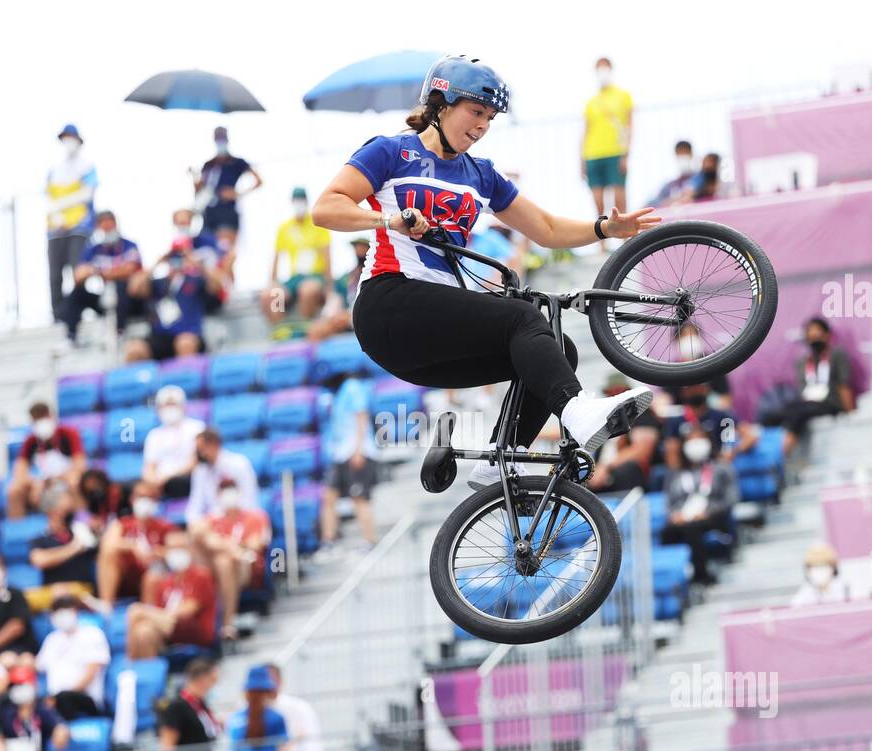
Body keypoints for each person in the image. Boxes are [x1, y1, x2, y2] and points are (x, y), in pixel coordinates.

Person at [311, 55, 657, 492]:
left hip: (428, 336)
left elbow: (546, 229)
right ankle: (578, 410)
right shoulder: (391, 151)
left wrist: (603, 228)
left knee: (558, 349)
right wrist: (388, 221)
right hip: (388, 305)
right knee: (521, 318)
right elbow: (326, 208)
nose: (482, 126)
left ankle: (501, 460)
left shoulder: (482, 174)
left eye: (490, 118)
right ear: (440, 104)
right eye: (476, 112)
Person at [125, 210, 231, 363]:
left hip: (189, 334)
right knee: (134, 349)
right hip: (161, 336)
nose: (176, 263)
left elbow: (218, 285)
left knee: (184, 343)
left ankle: (188, 384)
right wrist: (158, 262)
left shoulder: (195, 281)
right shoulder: (159, 283)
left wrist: (196, 262)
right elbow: (133, 289)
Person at [187, 479, 270, 643]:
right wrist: (232, 548)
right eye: (224, 490)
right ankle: (224, 625)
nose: (228, 494)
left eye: (231, 489)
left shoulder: (255, 517)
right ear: (218, 495)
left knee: (224, 560)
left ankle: (227, 622)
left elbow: (255, 545)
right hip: (218, 566)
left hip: (247, 566)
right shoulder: (212, 520)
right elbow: (197, 533)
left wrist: (226, 546)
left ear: (239, 492)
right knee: (204, 543)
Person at [759, 317, 855, 457]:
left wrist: (849, 414)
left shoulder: (837, 355)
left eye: (818, 333)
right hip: (808, 403)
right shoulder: (803, 362)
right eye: (810, 334)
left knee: (800, 411)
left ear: (827, 335)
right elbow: (803, 389)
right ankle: (771, 450)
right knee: (780, 412)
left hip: (830, 403)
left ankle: (782, 453)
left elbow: (843, 384)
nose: (814, 337)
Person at [315, 371, 378, 562]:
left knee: (359, 497)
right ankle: (329, 541)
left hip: (356, 452)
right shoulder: (338, 394)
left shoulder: (352, 387)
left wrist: (358, 449)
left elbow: (361, 415)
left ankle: (370, 541)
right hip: (339, 453)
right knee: (328, 497)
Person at [661, 430, 738, 586]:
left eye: (700, 438)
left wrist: (708, 512)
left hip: (713, 517)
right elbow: (668, 502)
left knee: (692, 529)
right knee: (667, 532)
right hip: (683, 517)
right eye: (691, 440)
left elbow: (731, 499)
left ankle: (701, 575)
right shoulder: (675, 474)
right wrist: (675, 515)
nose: (695, 444)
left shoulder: (721, 468)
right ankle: (673, 582)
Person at [126, 528, 218, 658]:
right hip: (171, 630)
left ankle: (128, 664)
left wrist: (153, 615)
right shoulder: (165, 582)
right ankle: (146, 674)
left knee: (135, 611)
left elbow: (189, 610)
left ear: (190, 550)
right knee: (144, 631)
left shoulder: (201, 576)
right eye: (172, 549)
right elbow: (159, 612)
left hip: (194, 629)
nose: (177, 553)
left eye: (181, 548)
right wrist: (156, 618)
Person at [46, 124, 99, 338]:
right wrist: (57, 215)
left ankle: (76, 309)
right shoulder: (54, 170)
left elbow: (87, 194)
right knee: (55, 274)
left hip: (79, 227)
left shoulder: (86, 166)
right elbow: (49, 198)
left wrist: (63, 206)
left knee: (78, 272)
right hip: (56, 229)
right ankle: (59, 314)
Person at [63, 210, 145, 345]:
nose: (107, 230)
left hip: (129, 301)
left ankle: (119, 332)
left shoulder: (129, 245)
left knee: (120, 285)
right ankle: (70, 337)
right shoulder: (93, 249)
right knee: (76, 293)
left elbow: (130, 271)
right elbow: (78, 275)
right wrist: (104, 272)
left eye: (110, 226)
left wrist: (98, 271)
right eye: (104, 227)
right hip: (106, 300)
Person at [96, 479, 174, 612]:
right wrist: (133, 546)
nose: (145, 501)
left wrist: (157, 553)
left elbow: (177, 551)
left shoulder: (165, 526)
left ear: (156, 501)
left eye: (150, 497)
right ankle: (106, 607)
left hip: (154, 575)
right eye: (141, 496)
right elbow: (108, 544)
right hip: (127, 576)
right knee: (109, 554)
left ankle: (146, 617)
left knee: (153, 575)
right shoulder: (122, 524)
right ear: (132, 499)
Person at [261, 187, 332, 332]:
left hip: (314, 276)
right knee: (271, 295)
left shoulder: (318, 224)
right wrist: (272, 283)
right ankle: (282, 330)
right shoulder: (284, 228)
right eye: (296, 200)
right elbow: (276, 258)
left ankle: (303, 330)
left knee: (307, 290)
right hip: (294, 278)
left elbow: (327, 257)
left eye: (301, 200)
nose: (299, 203)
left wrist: (329, 286)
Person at [582, 57, 633, 245]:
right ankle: (602, 242)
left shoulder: (623, 96)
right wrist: (582, 160)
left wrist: (626, 154)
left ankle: (626, 240)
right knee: (598, 201)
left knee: (620, 198)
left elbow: (629, 126)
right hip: (593, 154)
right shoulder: (591, 102)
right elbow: (586, 131)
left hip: (615, 151)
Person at [35, 593, 110, 719]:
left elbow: (91, 673)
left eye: (65, 610)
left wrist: (59, 697)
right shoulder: (52, 639)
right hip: (54, 699)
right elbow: (38, 666)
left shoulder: (92, 634)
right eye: (56, 612)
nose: (61, 615)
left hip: (85, 697)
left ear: (75, 611)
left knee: (63, 698)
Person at [586, 372, 664, 493]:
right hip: (602, 474)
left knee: (628, 471)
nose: (615, 396)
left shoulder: (642, 415)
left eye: (619, 392)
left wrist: (606, 467)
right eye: (610, 393)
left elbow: (642, 451)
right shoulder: (605, 422)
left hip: (625, 474)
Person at [6, 401, 87, 518]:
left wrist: (51, 480)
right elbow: (19, 472)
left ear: (51, 416)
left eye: (43, 417)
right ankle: (17, 531)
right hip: (42, 490)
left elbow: (79, 467)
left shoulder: (68, 434)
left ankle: (82, 521)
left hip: (64, 486)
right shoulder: (31, 441)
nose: (40, 422)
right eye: (36, 419)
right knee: (14, 489)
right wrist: (36, 483)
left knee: (74, 481)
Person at [195, 126, 262, 245]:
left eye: (222, 138)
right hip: (209, 212)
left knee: (225, 250)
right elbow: (199, 191)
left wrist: (237, 193)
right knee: (206, 250)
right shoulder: (209, 165)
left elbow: (259, 181)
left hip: (227, 212)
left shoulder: (236, 162)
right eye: (218, 138)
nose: (220, 141)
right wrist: (194, 181)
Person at [142, 385, 205, 498]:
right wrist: (153, 481)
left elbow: (196, 462)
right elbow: (149, 467)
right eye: (166, 405)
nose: (169, 409)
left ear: (183, 406)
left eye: (173, 405)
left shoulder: (197, 428)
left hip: (186, 479)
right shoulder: (154, 435)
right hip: (161, 483)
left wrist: (168, 476)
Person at [29, 485, 98, 588]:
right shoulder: (41, 539)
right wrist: (74, 548)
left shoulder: (80, 532)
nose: (70, 514)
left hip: (84, 590)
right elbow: (39, 560)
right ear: (52, 513)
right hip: (54, 594)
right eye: (65, 510)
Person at [186, 428, 261, 521]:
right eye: (197, 450)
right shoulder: (200, 471)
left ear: (214, 445)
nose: (199, 454)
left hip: (240, 518)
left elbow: (250, 501)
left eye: (201, 449)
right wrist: (197, 522)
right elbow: (194, 507)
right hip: (214, 523)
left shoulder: (239, 464)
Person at [790, 543, 846, 607]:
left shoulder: (844, 589)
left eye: (823, 565)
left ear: (833, 568)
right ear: (808, 570)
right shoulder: (804, 594)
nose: (819, 570)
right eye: (815, 566)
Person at [648, 140, 696, 207]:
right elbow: (652, 204)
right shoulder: (669, 186)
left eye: (685, 153)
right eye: (679, 153)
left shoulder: (703, 180)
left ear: (691, 154)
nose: (682, 156)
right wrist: (669, 202)